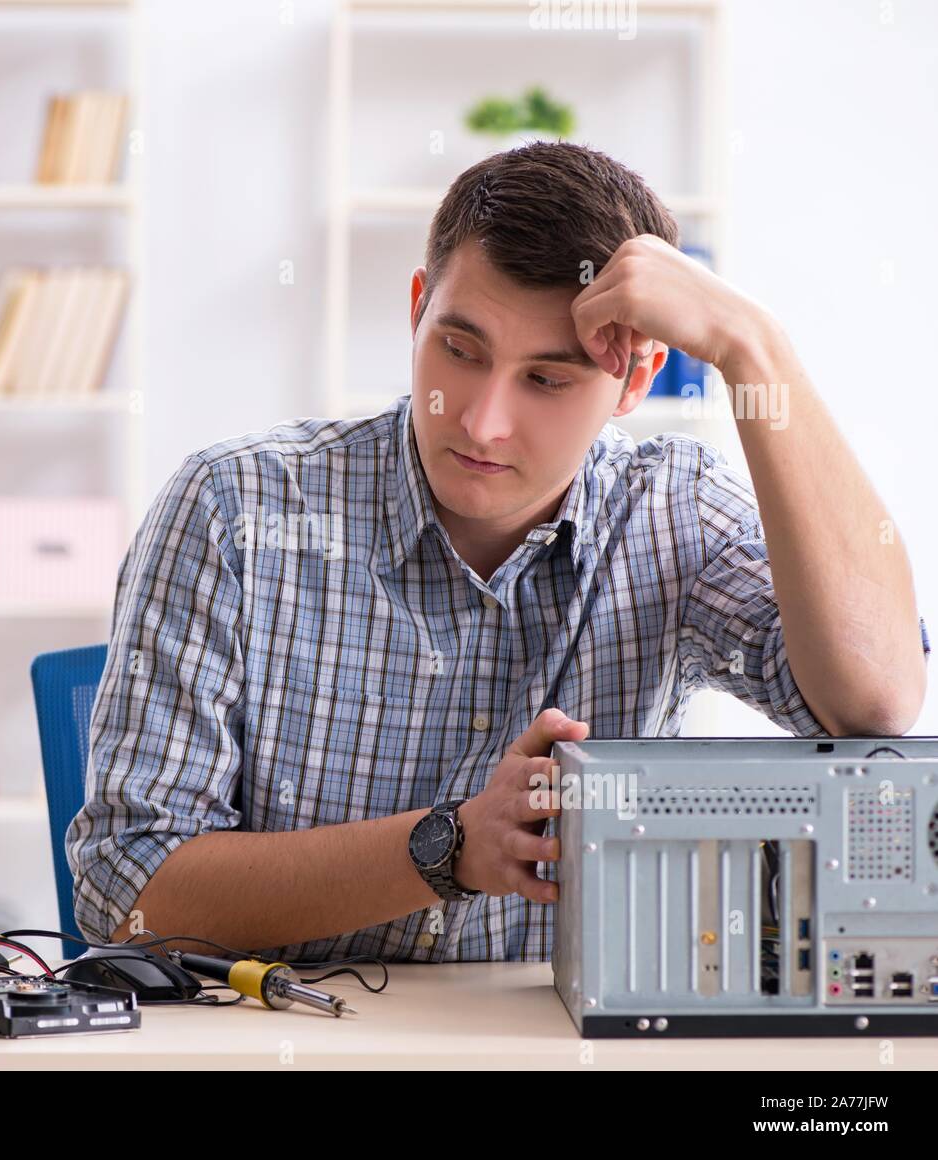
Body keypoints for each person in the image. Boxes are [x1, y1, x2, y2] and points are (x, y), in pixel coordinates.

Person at [69, 142, 929, 964]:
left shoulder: (672, 512)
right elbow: (127, 891)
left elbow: (877, 702)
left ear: (635, 380)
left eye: (547, 379)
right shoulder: (232, 508)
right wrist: (442, 849)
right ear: (416, 309)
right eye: (459, 349)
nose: (481, 421)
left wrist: (754, 348)